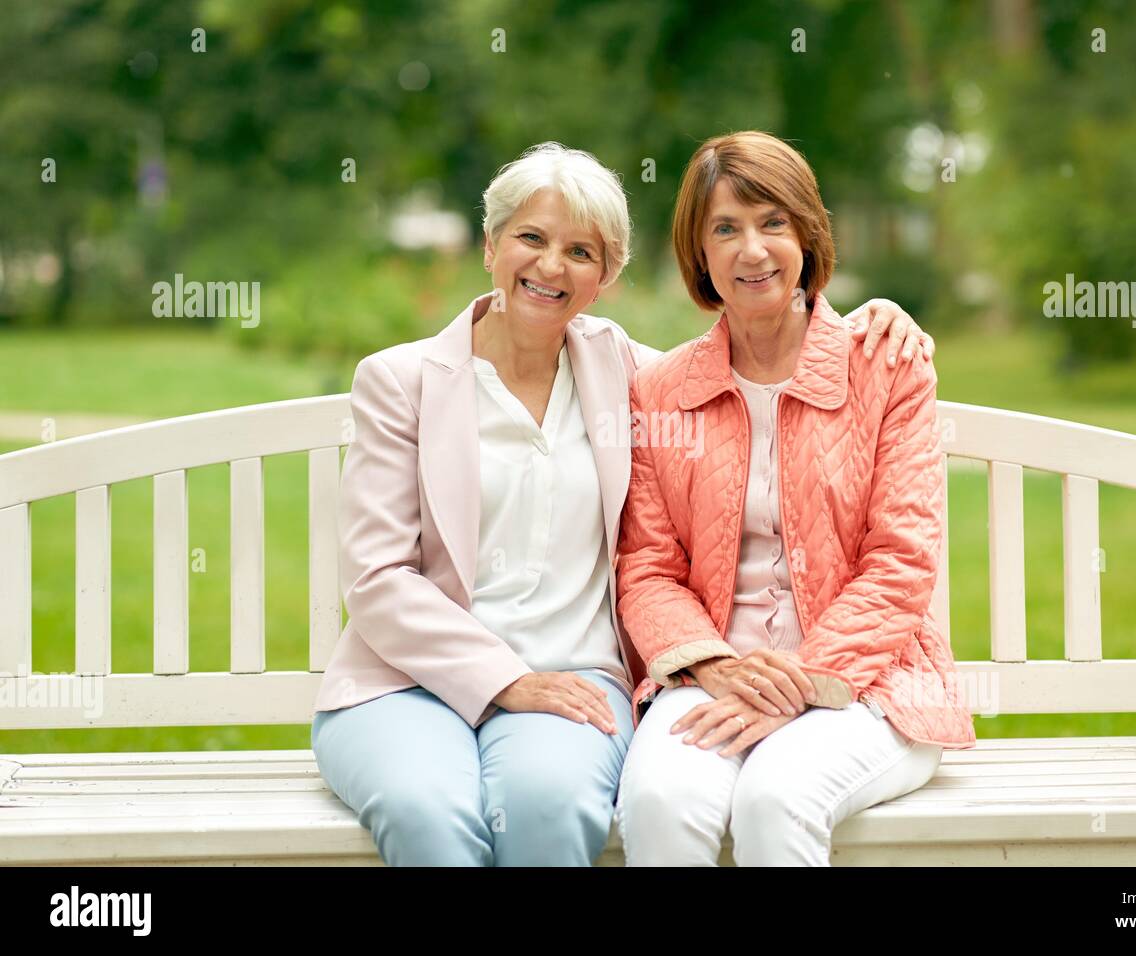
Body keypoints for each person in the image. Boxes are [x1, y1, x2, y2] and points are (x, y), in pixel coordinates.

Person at [311, 141, 935, 866]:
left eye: (581, 250)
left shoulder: (628, 374)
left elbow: (781, 342)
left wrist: (876, 316)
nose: (550, 267)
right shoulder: (403, 382)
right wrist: (507, 681)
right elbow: (380, 580)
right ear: (489, 245)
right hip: (407, 680)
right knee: (429, 813)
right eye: (531, 239)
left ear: (605, 275)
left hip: (575, 680)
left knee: (548, 805)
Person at [614, 131, 977, 866]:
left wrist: (803, 680)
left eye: (773, 222)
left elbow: (901, 561)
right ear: (699, 254)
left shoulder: (886, 365)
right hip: (712, 672)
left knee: (776, 798)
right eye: (726, 228)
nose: (753, 250)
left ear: (807, 237)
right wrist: (718, 668)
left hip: (868, 680)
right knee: (656, 801)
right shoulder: (660, 390)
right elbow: (648, 568)